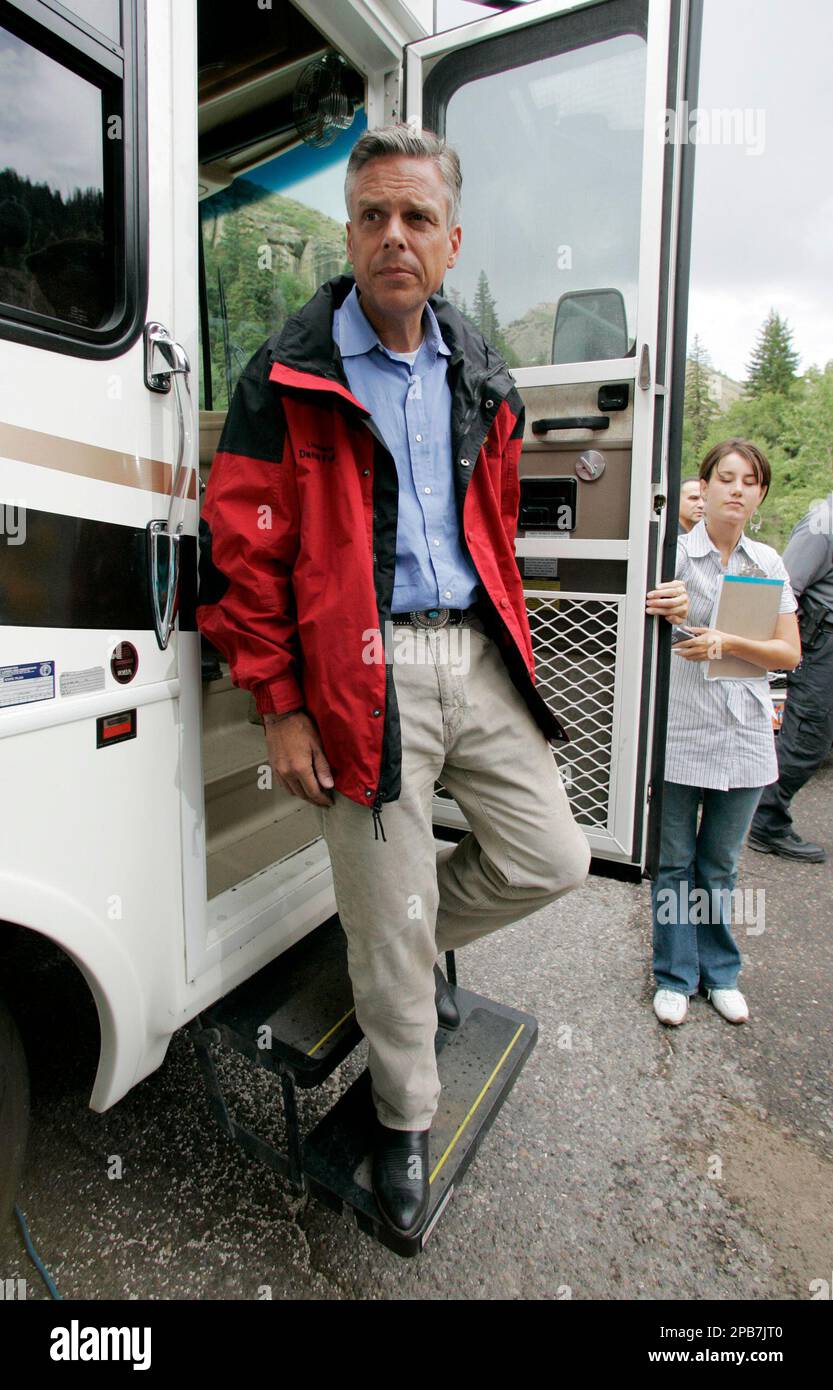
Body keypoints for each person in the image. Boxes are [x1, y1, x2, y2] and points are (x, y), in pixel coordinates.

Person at [197, 124, 687, 1238]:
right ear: (350, 231)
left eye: (415, 217)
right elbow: (244, 560)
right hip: (360, 671)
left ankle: (406, 943)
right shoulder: (286, 373)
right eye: (371, 215)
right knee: (391, 916)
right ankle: (402, 1116)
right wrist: (279, 707)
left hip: (467, 649)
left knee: (551, 856)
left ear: (449, 239)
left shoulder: (480, 370)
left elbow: (492, 524)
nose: (392, 237)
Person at [652, 438, 800, 1028]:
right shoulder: (671, 556)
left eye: (750, 481)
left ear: (760, 495)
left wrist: (727, 640)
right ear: (705, 487)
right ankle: (673, 975)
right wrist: (659, 602)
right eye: (726, 478)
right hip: (680, 731)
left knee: (719, 865)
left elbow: (787, 653)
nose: (737, 489)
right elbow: (639, 614)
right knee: (673, 862)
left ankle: (720, 974)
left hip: (742, 736)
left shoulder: (768, 564)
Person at [747, 490, 833, 862]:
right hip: (823, 641)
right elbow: (786, 588)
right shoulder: (823, 523)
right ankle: (766, 821)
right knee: (808, 737)